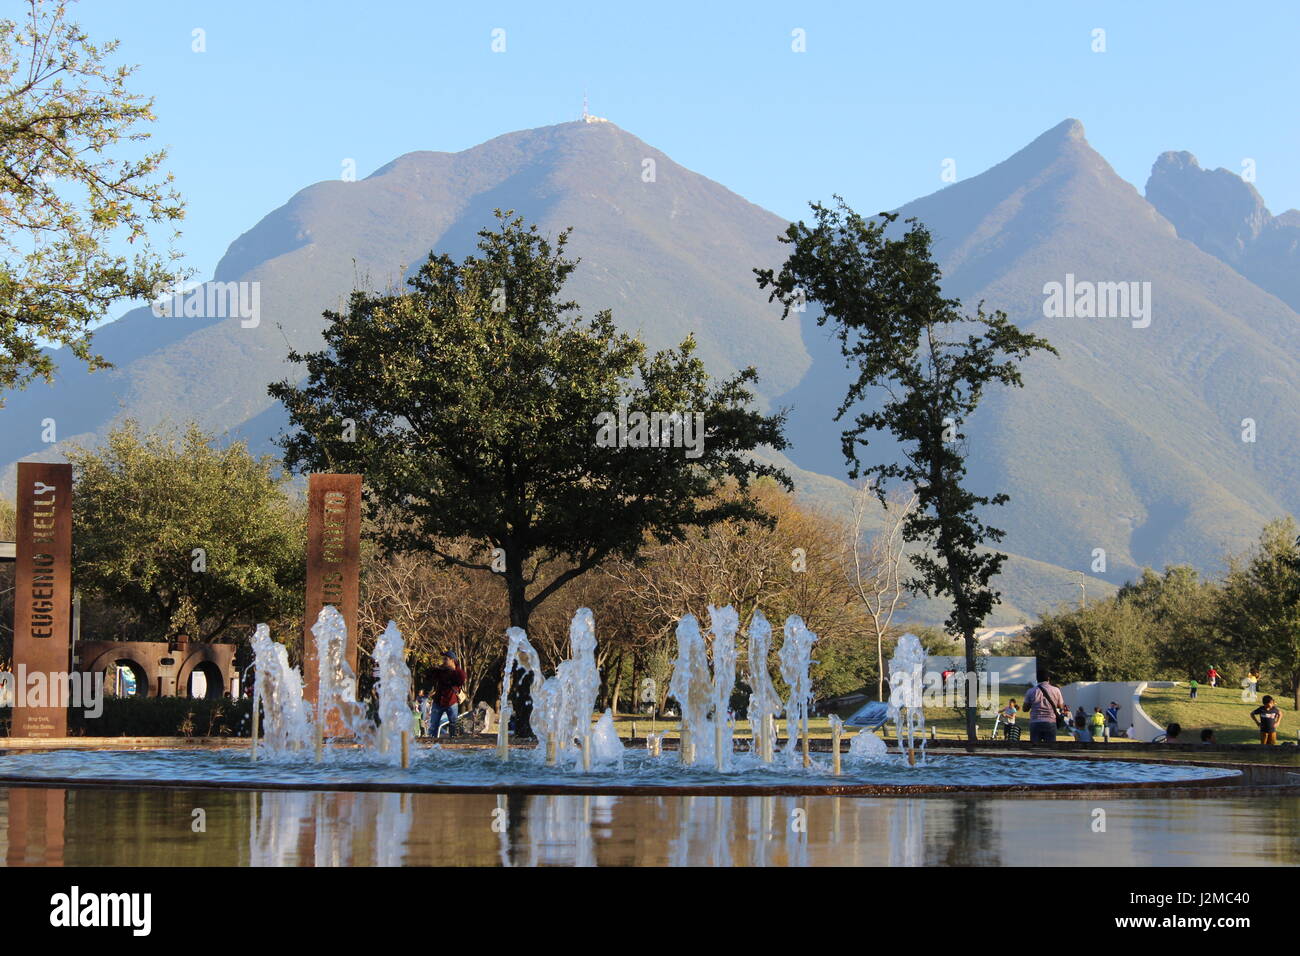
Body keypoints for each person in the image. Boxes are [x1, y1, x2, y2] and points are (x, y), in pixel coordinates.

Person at [428, 651, 467, 738]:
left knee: (453, 724)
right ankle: (431, 742)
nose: (443, 661)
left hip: (451, 702)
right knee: (433, 725)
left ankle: (453, 742)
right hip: (438, 701)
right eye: (443, 659)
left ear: (452, 660)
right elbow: (430, 676)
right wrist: (436, 668)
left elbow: (462, 678)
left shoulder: (457, 672)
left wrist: (453, 669)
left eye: (446, 659)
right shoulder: (441, 670)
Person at [1023, 671, 1066, 744]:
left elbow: (1025, 709)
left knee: (1035, 749)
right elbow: (1061, 706)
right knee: (1050, 748)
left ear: (1037, 679)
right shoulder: (1056, 690)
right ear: (1048, 678)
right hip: (1050, 722)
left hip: (1035, 722)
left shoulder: (1030, 691)